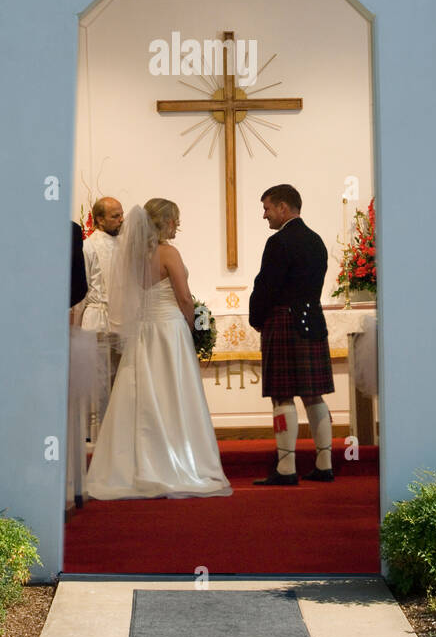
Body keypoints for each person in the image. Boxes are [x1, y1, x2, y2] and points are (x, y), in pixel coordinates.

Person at [85, 198, 232, 500]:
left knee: (141, 397)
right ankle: (177, 463)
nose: (178, 225)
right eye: (175, 219)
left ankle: (135, 465)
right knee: (174, 395)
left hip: (143, 332)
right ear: (164, 222)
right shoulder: (168, 253)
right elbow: (185, 299)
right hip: (169, 332)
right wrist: (196, 329)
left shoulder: (132, 256)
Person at [248, 184, 334, 486]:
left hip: (283, 321)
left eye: (267, 208)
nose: (265, 215)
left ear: (284, 208)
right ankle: (325, 463)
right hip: (312, 318)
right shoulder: (316, 240)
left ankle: (286, 468)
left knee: (282, 395)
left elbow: (266, 287)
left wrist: (257, 318)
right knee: (314, 395)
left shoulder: (279, 242)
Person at [78, 197, 124, 425]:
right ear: (99, 219)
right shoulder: (88, 245)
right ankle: (95, 428)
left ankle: (115, 429)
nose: (121, 220)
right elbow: (82, 286)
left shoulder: (125, 244)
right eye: (115, 216)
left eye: (121, 214)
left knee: (119, 378)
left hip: (121, 319)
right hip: (97, 316)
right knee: (98, 379)